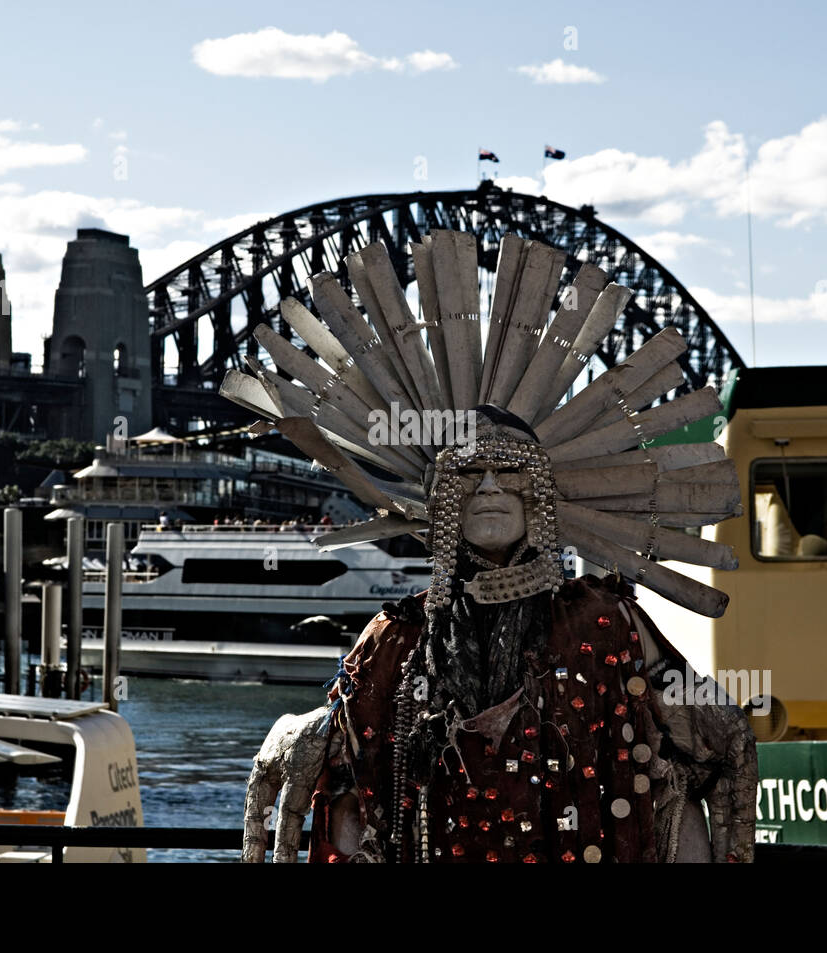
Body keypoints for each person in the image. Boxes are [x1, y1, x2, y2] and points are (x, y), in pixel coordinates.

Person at [232, 230, 756, 863]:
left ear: (540, 495)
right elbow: (351, 748)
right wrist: (307, 735)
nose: (488, 488)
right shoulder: (398, 636)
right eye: (466, 475)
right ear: (440, 500)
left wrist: (725, 723)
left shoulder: (605, 619)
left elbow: (685, 716)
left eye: (509, 472)